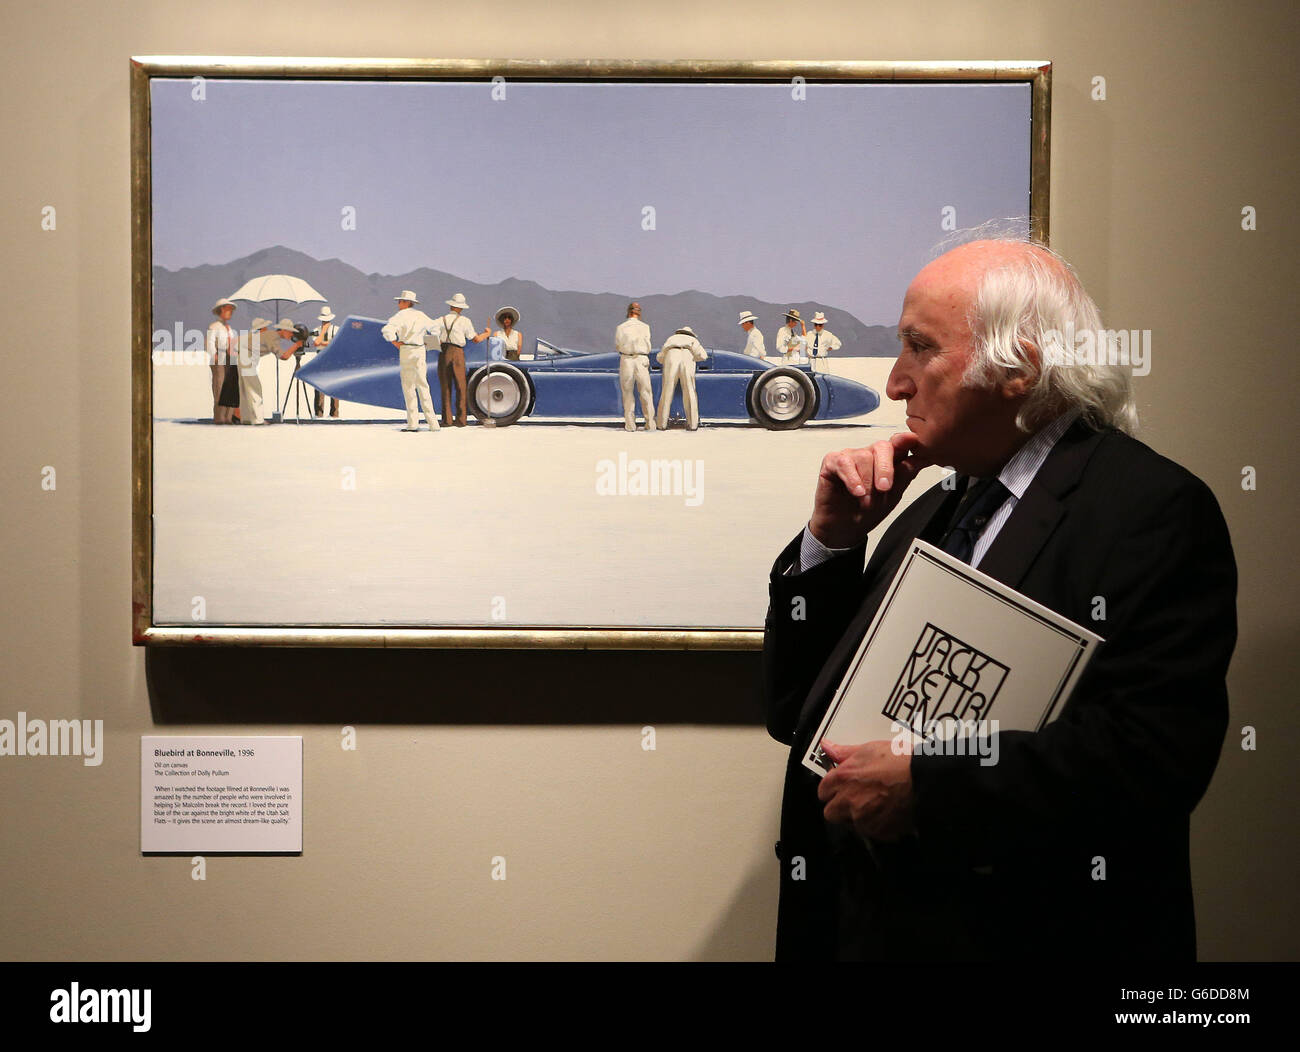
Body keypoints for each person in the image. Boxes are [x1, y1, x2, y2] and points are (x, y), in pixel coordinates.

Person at [762, 236, 1236, 962]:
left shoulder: (1153, 508)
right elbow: (797, 711)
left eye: (921, 348)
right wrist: (832, 543)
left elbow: (1154, 758)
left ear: (1019, 367)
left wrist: (930, 786)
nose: (896, 382)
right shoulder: (934, 507)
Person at [381, 290, 440, 432]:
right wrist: (429, 342)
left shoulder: (399, 316)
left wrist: (394, 342)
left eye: (400, 301)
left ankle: (413, 424)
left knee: (409, 388)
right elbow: (436, 328)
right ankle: (433, 423)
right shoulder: (421, 315)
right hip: (420, 350)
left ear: (405, 302)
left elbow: (387, 330)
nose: (398, 304)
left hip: (406, 350)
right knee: (423, 385)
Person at [435, 292, 490, 427]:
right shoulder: (465, 321)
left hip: (443, 352)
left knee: (445, 387)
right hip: (458, 353)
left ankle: (447, 420)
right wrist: (487, 333)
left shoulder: (439, 320)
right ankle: (461, 420)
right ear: (460, 308)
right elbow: (475, 339)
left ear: (451, 306)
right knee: (461, 386)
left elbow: (432, 337)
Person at [656, 325, 708, 430]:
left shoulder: (671, 339)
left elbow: (660, 357)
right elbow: (703, 356)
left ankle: (661, 424)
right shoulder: (693, 340)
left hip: (671, 356)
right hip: (687, 356)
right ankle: (692, 424)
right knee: (689, 390)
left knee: (667, 390)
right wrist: (694, 358)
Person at [614, 301, 656, 432]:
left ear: (628, 312)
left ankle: (630, 425)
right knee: (646, 392)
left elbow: (618, 345)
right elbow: (648, 342)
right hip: (642, 358)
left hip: (626, 359)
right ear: (639, 312)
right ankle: (650, 423)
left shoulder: (620, 327)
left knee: (627, 392)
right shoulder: (645, 327)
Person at [236, 317, 277, 425]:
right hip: (248, 366)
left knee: (244, 392)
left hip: (242, 364)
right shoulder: (258, 339)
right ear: (261, 329)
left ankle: (246, 418)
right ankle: (258, 419)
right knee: (255, 390)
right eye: (265, 328)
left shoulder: (247, 337)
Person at [205, 297, 239, 423]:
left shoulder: (229, 329)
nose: (230, 312)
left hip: (230, 358)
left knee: (230, 388)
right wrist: (214, 356)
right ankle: (219, 418)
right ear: (221, 311)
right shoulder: (214, 326)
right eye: (227, 310)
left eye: (231, 310)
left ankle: (228, 418)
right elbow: (210, 343)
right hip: (219, 358)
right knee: (219, 388)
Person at [311, 306, 342, 418]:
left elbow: (337, 344)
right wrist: (324, 332)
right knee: (319, 386)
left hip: (333, 359)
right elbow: (316, 342)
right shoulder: (316, 330)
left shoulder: (336, 329)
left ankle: (334, 413)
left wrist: (324, 343)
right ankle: (318, 413)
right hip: (320, 358)